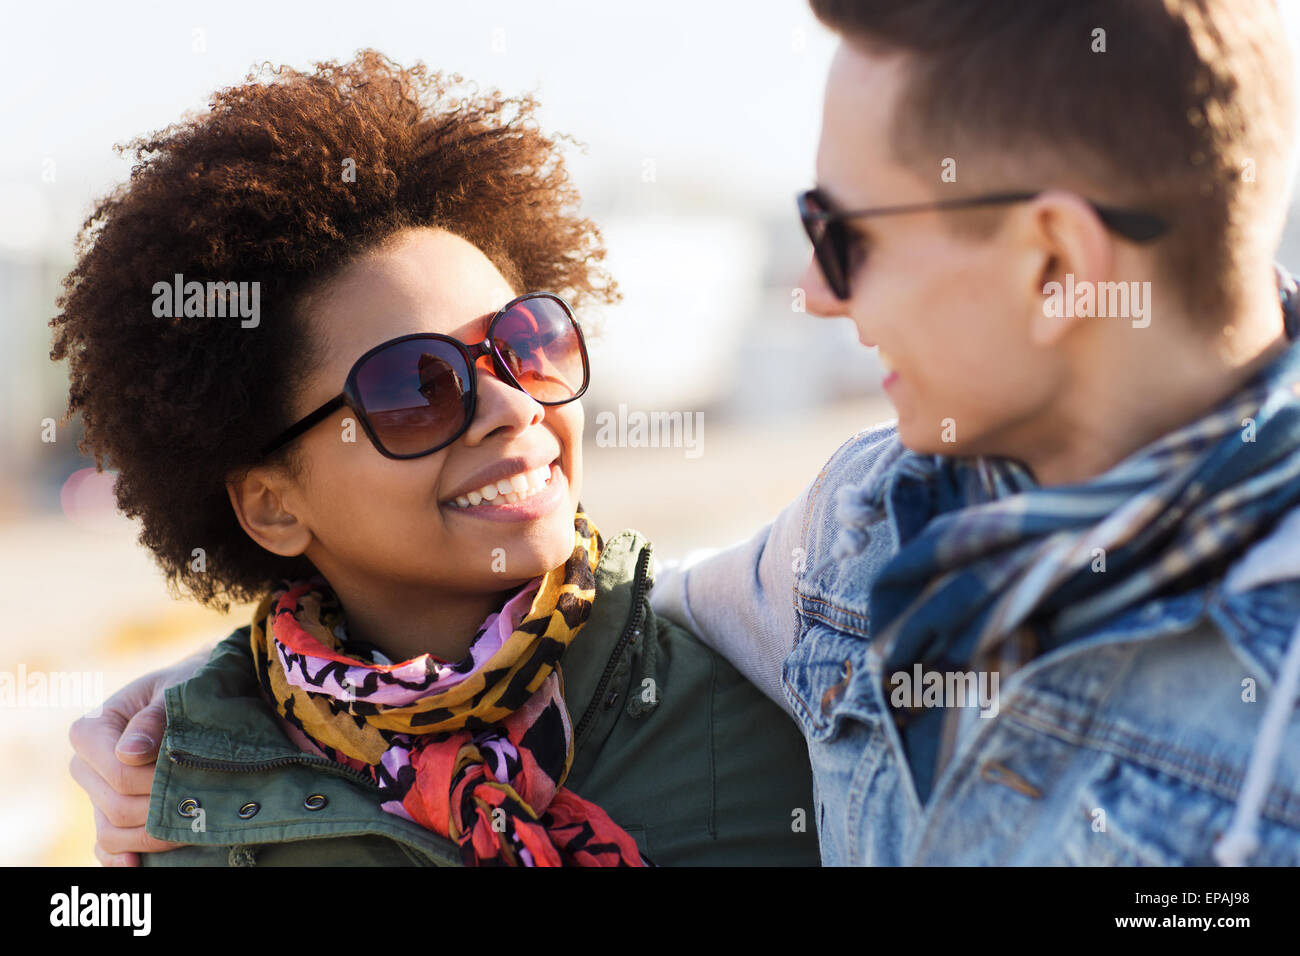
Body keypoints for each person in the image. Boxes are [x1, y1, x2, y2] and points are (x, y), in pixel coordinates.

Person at [75, 0, 1300, 867]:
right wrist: (202, 702)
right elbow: (582, 614)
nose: (816, 296)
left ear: (1053, 262)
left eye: (843, 236)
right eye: (418, 389)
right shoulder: (857, 536)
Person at [54, 50, 818, 867]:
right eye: (416, 388)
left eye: (527, 344)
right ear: (274, 506)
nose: (517, 406)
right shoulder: (188, 823)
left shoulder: (780, 690)